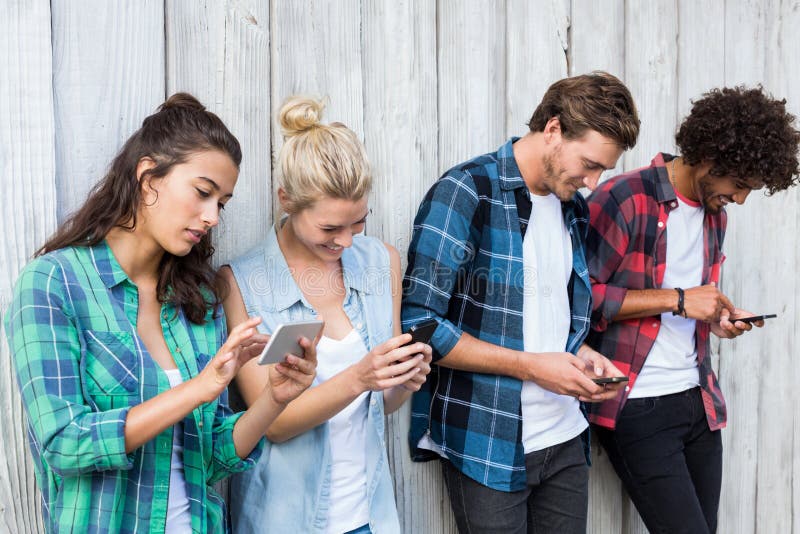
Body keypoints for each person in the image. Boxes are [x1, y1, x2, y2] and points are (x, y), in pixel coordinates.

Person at [3, 93, 318, 533]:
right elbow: (64, 442)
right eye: (203, 193)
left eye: (221, 203)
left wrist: (274, 400)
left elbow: (209, 461)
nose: (211, 216)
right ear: (148, 176)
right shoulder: (55, 283)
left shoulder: (197, 301)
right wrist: (199, 387)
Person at [403, 72, 640, 533]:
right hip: (488, 440)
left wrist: (581, 357)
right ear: (553, 129)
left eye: (602, 170)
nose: (593, 181)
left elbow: (550, 320)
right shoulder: (467, 191)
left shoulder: (572, 207)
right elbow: (420, 323)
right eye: (589, 163)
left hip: (568, 440)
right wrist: (533, 366)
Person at [585, 86, 800, 534]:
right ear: (708, 159)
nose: (740, 199)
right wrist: (680, 299)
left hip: (698, 401)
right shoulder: (625, 198)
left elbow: (692, 306)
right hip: (637, 403)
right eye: (738, 185)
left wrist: (716, 316)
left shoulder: (714, 215)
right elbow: (580, 299)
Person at [225, 95, 432, 534]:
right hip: (283, 521)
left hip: (370, 515)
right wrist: (360, 376)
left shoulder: (381, 262)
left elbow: (382, 405)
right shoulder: (239, 283)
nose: (347, 242)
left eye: (358, 223)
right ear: (286, 200)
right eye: (329, 229)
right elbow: (274, 424)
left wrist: (404, 381)